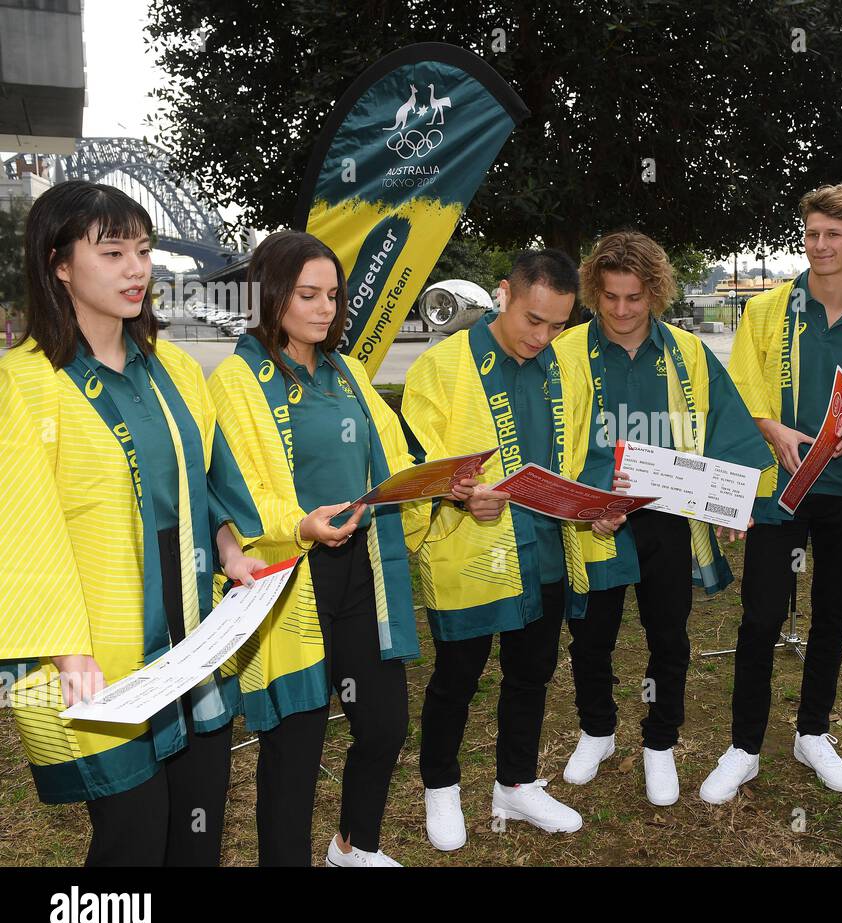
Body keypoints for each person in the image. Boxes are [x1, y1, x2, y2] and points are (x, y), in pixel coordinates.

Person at [0, 181, 262, 865]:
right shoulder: (23, 383)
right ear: (58, 264)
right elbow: (22, 528)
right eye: (112, 252)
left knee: (199, 828)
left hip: (193, 642)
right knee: (132, 841)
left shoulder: (174, 366)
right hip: (103, 660)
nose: (137, 268)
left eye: (143, 250)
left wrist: (231, 547)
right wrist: (63, 649)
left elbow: (208, 480)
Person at [208, 230, 428, 867]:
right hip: (288, 581)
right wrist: (300, 525)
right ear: (272, 295)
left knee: (384, 725)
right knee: (294, 747)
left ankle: (352, 845)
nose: (326, 308)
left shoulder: (347, 371)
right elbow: (234, 490)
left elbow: (392, 457)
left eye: (332, 295)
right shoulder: (237, 380)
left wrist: (439, 480)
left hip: (361, 571)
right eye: (308, 294)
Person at [699, 184, 842, 803]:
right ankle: (743, 747)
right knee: (761, 616)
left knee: (833, 616)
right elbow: (738, 390)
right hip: (779, 492)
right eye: (812, 233)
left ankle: (813, 732)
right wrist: (770, 427)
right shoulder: (766, 310)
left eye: (833, 235)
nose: (820, 246)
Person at [552, 231, 774, 806]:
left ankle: (659, 742)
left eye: (635, 297)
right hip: (595, 516)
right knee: (590, 636)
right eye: (610, 297)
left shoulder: (689, 353)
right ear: (592, 294)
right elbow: (548, 435)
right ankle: (597, 731)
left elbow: (729, 428)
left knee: (668, 636)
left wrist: (734, 501)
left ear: (656, 292)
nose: (622, 311)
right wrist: (582, 500)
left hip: (669, 518)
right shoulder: (567, 351)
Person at [404, 250, 616, 851]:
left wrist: (592, 508)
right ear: (504, 295)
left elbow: (577, 457)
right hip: (471, 556)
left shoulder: (566, 369)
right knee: (456, 678)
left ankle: (516, 784)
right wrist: (459, 496)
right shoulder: (440, 368)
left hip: (545, 550)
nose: (542, 337)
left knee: (531, 674)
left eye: (558, 325)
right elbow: (415, 469)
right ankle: (440, 789)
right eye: (533, 320)